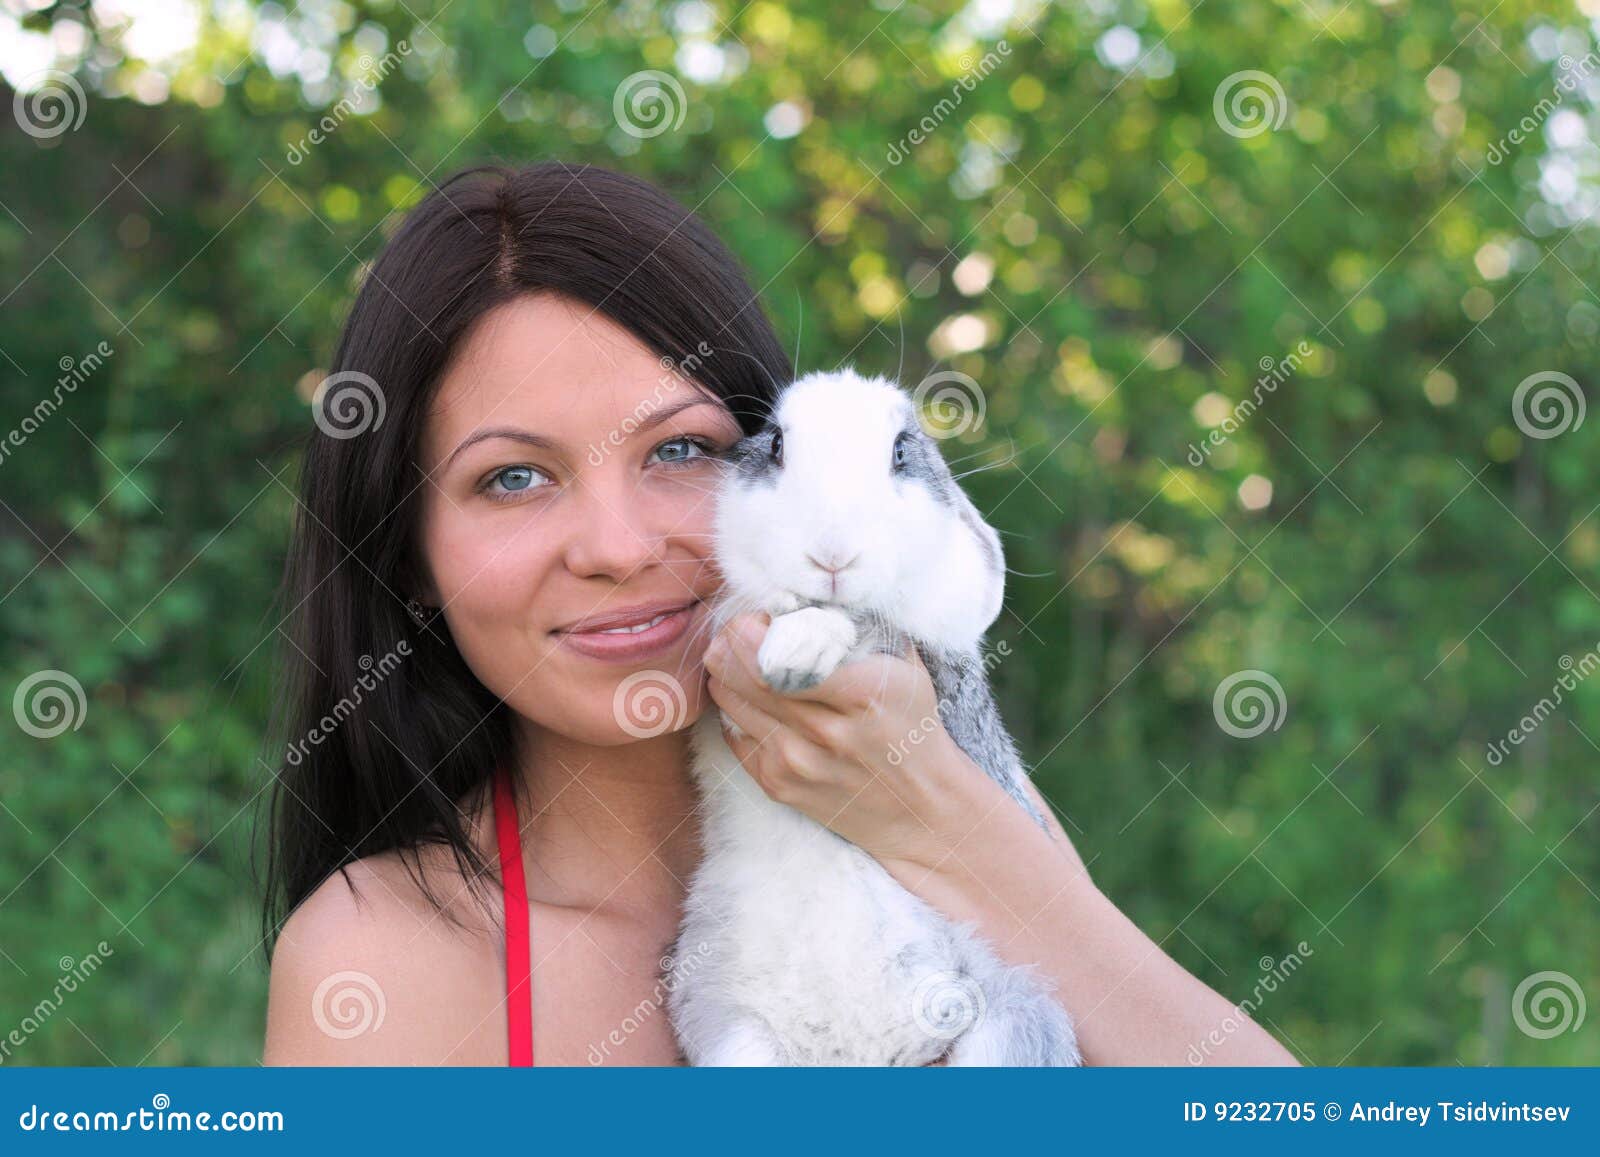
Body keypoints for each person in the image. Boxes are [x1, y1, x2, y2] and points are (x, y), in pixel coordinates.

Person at [260, 161, 1296, 1067]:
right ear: (409, 555)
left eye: (678, 451)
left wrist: (945, 821)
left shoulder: (955, 808)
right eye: (515, 477)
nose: (618, 547)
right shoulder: (384, 962)